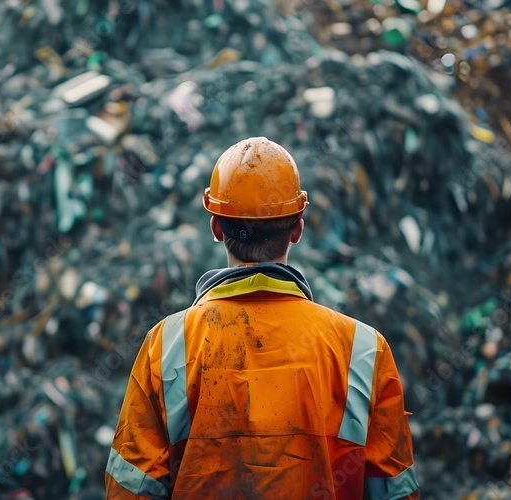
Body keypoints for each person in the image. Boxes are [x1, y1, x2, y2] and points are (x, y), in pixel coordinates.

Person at [106, 137, 419, 499]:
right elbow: (394, 492)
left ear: (216, 228)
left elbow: (130, 488)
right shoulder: (363, 350)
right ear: (297, 229)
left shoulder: (166, 344)